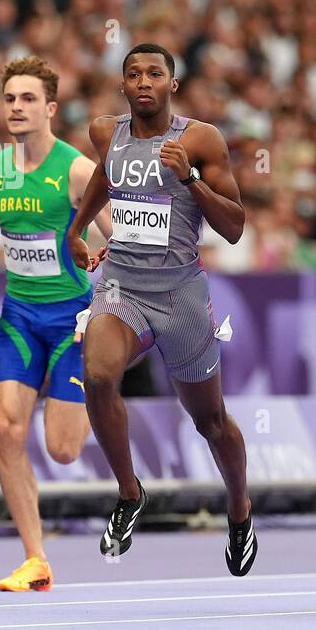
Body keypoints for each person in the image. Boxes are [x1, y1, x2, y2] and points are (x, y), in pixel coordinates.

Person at [66, 44, 256, 576]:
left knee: (211, 421)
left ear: (173, 84)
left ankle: (239, 508)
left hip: (181, 296)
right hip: (122, 283)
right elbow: (107, 175)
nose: (143, 81)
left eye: (155, 73)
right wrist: (77, 228)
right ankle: (130, 492)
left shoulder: (200, 139)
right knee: (99, 375)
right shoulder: (106, 131)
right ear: (123, 85)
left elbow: (236, 227)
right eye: (133, 74)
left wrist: (190, 178)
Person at [0, 56, 112, 591]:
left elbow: (119, 238)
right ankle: (35, 558)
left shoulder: (77, 172)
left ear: (50, 108)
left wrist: (101, 272)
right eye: (10, 99)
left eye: (28, 100)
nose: (17, 108)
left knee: (63, 448)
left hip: (72, 321)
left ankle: (103, 390)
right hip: (18, 317)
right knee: (5, 427)